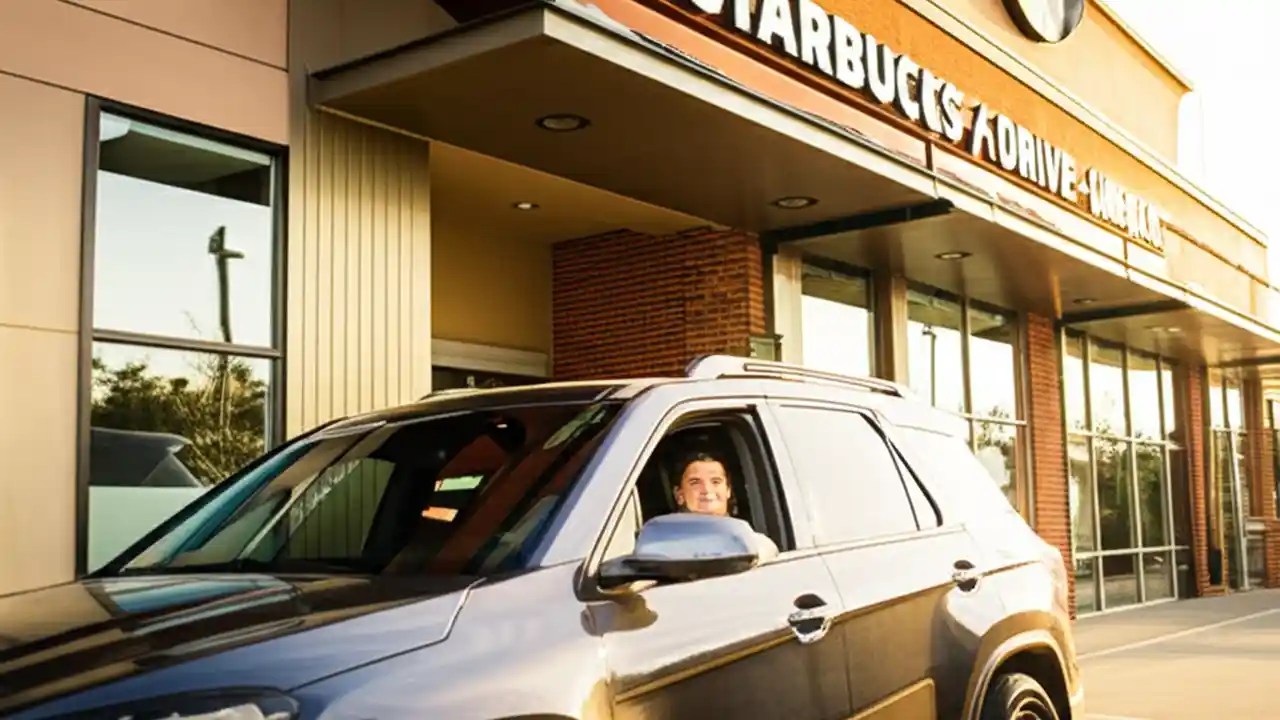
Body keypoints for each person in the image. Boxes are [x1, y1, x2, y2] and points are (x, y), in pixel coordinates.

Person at [672, 450, 733, 517]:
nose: (707, 490)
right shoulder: (666, 527)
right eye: (695, 483)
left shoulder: (743, 526)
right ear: (679, 494)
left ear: (728, 490)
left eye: (715, 482)